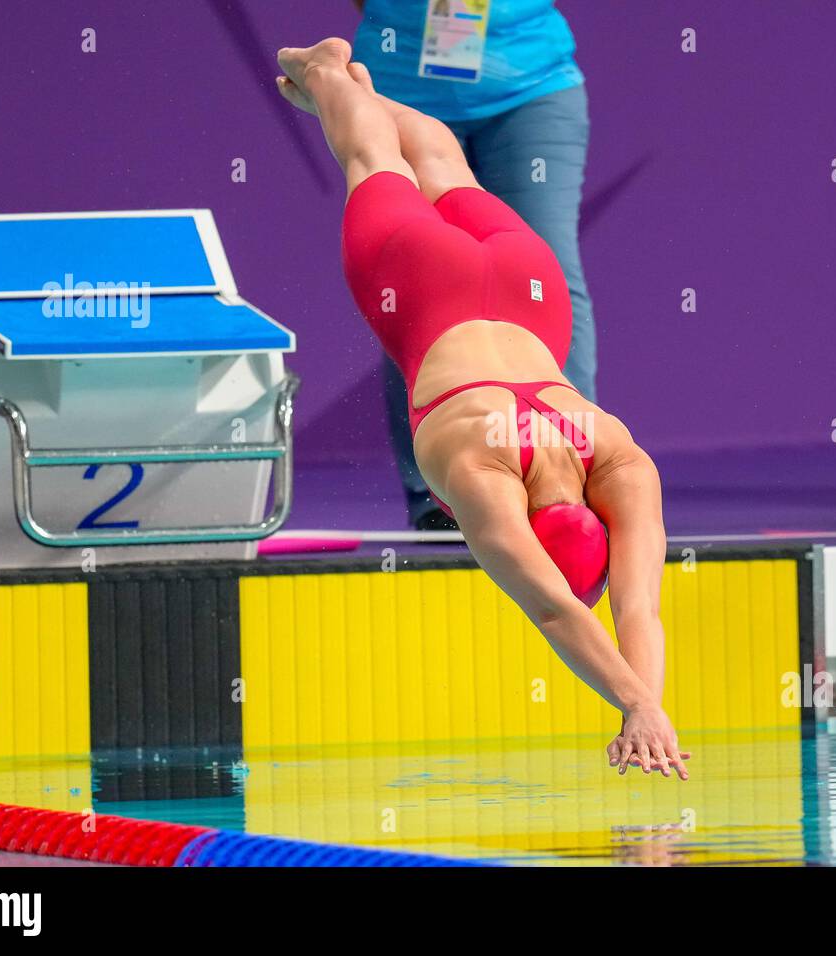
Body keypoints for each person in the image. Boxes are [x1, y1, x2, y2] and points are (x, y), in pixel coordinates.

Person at [275, 38, 688, 779]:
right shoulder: (480, 471)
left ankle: (346, 87)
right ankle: (330, 78)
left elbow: (639, 610)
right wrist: (633, 704)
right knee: (373, 160)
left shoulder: (617, 455)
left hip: (528, 289)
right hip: (426, 291)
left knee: (440, 158)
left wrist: (647, 706)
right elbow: (558, 612)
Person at [351, 0, 596, 531]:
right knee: (413, 289)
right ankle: (441, 488)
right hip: (399, 89)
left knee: (547, 276)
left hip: (530, 90)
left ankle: (569, 468)